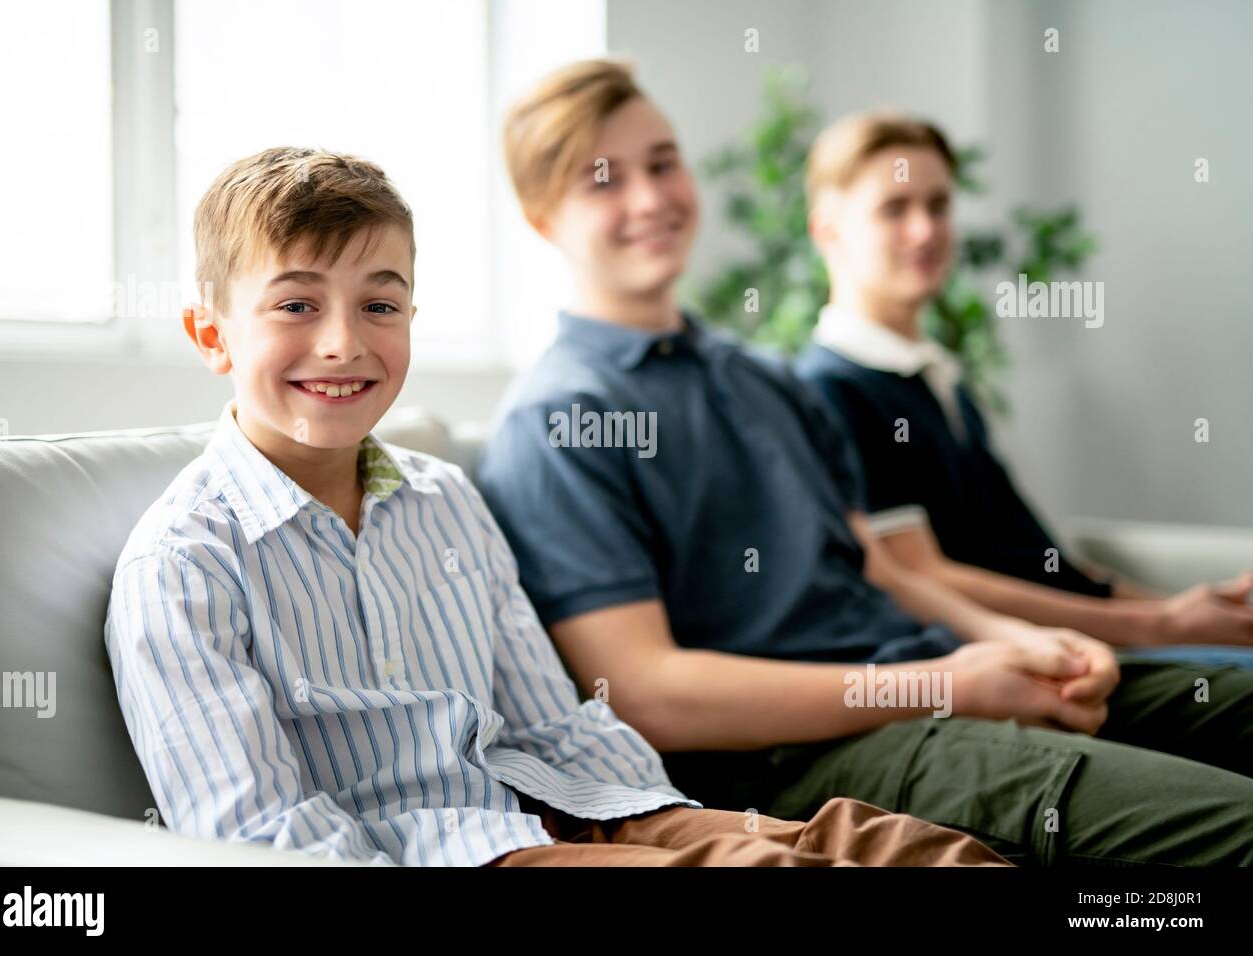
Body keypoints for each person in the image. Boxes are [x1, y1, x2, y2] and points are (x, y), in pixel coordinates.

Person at [102, 145, 1005, 868]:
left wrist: (695, 823)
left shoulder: (446, 499)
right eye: (296, 304)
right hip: (448, 857)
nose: (342, 343)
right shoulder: (184, 566)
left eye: (380, 304)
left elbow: (554, 720)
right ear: (212, 335)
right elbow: (259, 839)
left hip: (578, 814)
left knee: (879, 843)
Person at [476, 58, 1253, 865]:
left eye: (663, 163)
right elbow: (646, 692)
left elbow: (880, 567)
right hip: (807, 757)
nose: (649, 199)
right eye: (603, 181)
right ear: (542, 219)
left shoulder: (765, 378)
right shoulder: (559, 422)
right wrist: (946, 683)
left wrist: (1019, 640)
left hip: (936, 682)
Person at [793, 111, 1253, 668]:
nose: (926, 230)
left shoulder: (938, 378)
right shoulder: (832, 390)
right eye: (895, 209)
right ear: (828, 232)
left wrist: (1193, 612)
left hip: (1095, 640)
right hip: (1035, 662)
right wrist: (1160, 624)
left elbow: (1029, 556)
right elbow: (921, 578)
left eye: (938, 205)